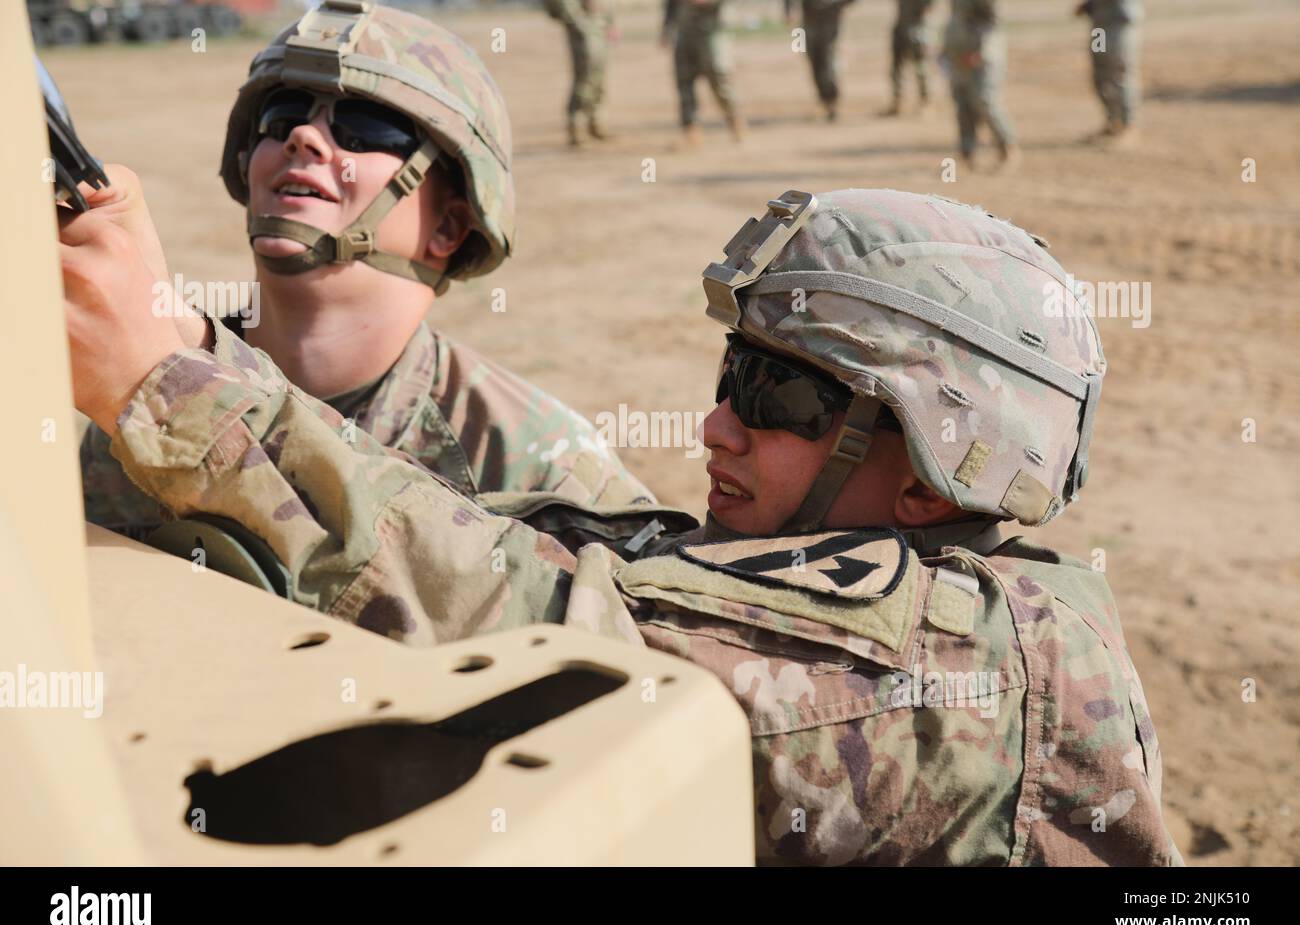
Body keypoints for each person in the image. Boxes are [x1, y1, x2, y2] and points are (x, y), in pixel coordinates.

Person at [62, 184, 1182, 866]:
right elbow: (540, 538)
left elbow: (561, 631)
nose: (716, 425)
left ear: (934, 480)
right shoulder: (810, 562)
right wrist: (192, 349)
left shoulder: (981, 665)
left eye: (777, 394)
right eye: (733, 371)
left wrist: (170, 380)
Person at [78, 0, 669, 549]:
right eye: (281, 118)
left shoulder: (540, 466)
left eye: (364, 130)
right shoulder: (152, 400)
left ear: (448, 226)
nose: (303, 137)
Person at [942, 0, 1019, 169]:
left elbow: (992, 21)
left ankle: (1006, 146)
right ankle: (967, 153)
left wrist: (978, 51)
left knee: (985, 101)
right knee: (962, 103)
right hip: (958, 54)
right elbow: (957, 19)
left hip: (982, 57)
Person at [662, 0, 746, 144]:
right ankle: (691, 130)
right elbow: (671, 4)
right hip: (685, 31)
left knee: (719, 80)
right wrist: (667, 28)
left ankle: (734, 118)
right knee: (684, 82)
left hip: (713, 30)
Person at [545, 0, 617, 147]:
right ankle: (576, 124)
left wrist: (609, 21)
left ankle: (595, 121)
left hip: (599, 24)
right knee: (585, 77)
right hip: (583, 27)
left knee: (598, 76)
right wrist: (578, 21)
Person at [1075, 0, 1143, 145]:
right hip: (1100, 29)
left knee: (1119, 73)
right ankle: (1113, 123)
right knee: (1100, 75)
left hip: (1118, 26)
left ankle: (1127, 125)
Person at [784, 0, 856, 122]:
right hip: (810, 14)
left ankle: (831, 101)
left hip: (830, 14)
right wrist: (789, 9)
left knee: (827, 58)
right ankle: (825, 100)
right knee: (813, 57)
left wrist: (840, 5)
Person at [883, 0, 933, 116]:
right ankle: (897, 101)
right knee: (897, 67)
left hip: (916, 29)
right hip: (900, 27)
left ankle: (925, 100)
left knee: (920, 67)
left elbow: (928, 5)